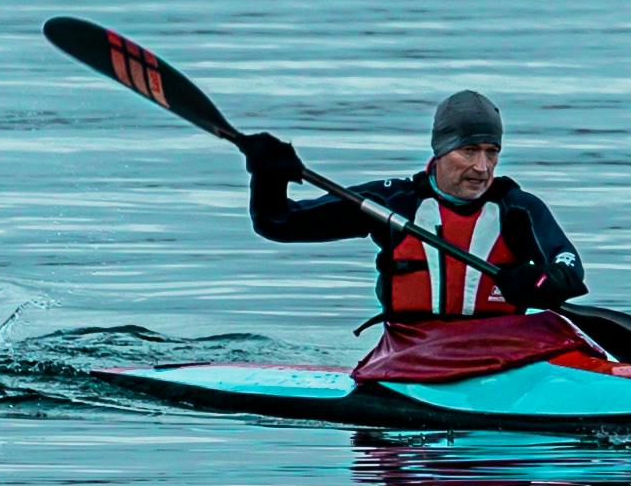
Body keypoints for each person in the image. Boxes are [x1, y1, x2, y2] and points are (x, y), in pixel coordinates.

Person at [244, 84, 586, 336]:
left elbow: (567, 265)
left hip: (501, 351)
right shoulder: (393, 203)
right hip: (410, 353)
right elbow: (279, 223)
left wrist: (541, 280)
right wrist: (268, 177)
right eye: (469, 150)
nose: (483, 167)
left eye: (491, 151)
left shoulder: (518, 209)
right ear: (441, 150)